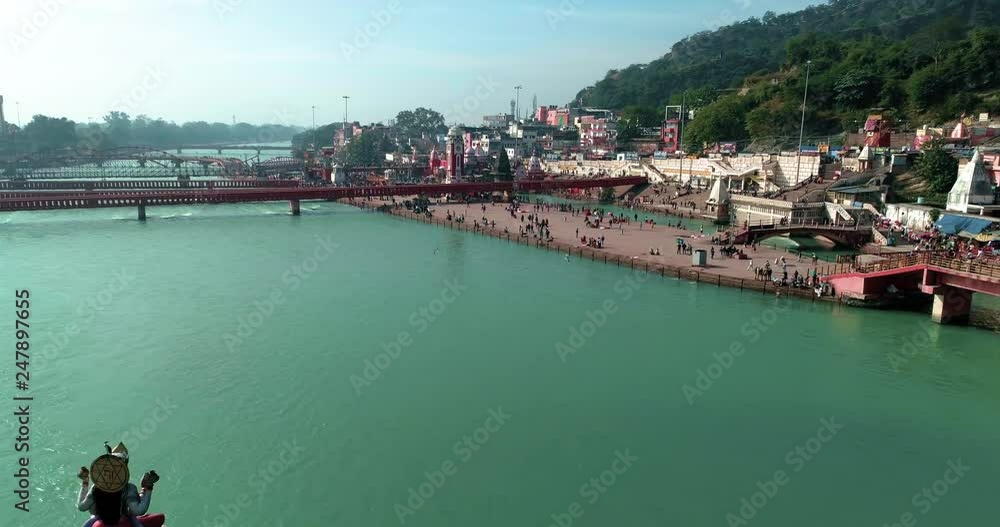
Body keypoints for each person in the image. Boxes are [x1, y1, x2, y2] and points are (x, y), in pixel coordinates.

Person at [77, 442, 162, 527]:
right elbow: (139, 510)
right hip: (122, 523)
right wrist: (148, 488)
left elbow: (82, 507)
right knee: (159, 518)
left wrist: (85, 482)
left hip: (99, 523)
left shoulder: (96, 487)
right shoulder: (129, 488)